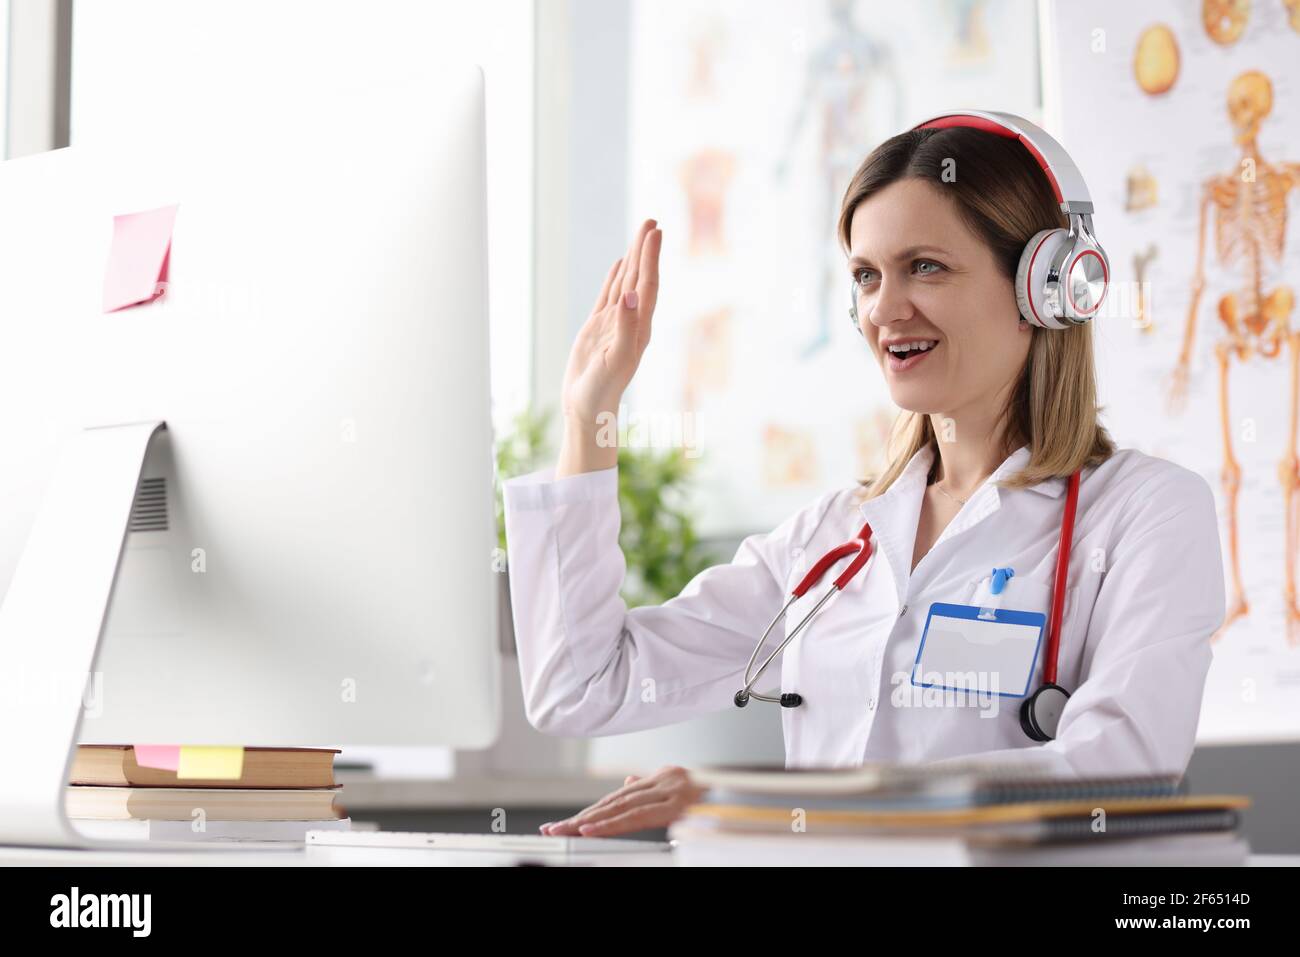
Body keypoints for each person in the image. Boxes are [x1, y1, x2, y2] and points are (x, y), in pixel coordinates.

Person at [501, 119, 1227, 838]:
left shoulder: (1148, 513)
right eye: (866, 275)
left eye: (926, 267)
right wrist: (588, 414)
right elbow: (583, 688)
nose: (884, 308)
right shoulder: (834, 536)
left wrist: (746, 799)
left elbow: (1117, 769)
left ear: (1046, 287)